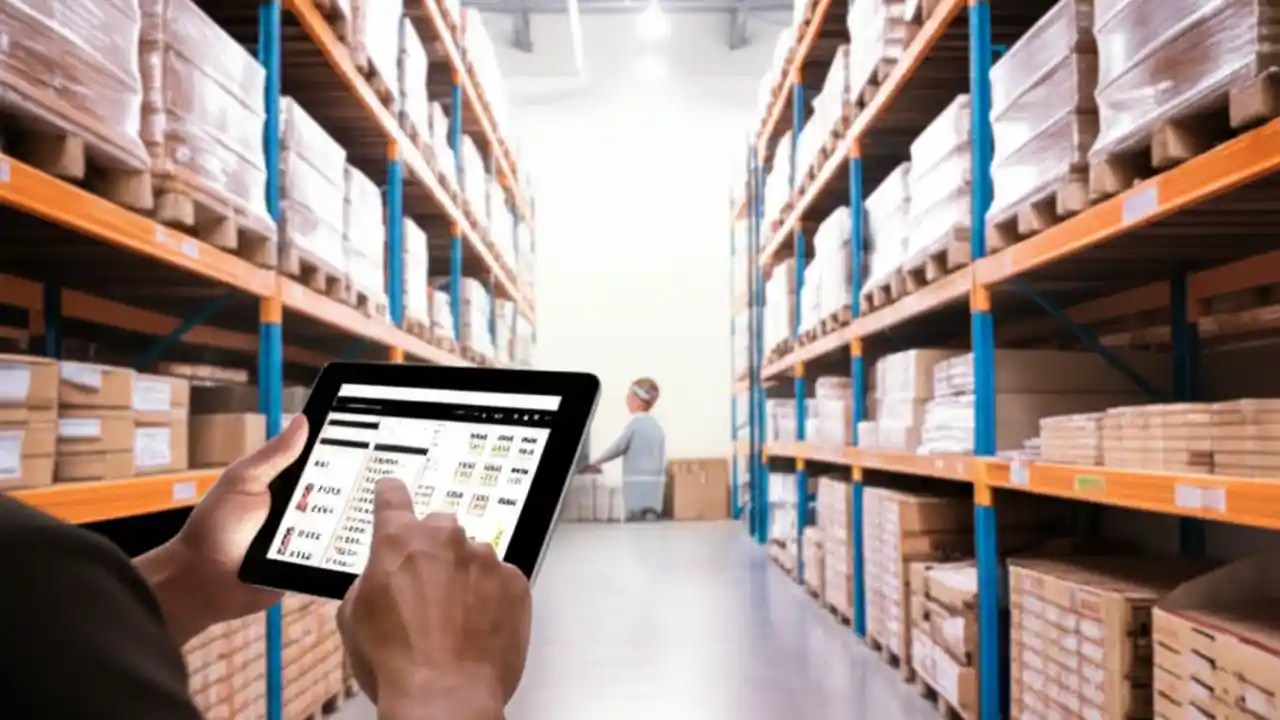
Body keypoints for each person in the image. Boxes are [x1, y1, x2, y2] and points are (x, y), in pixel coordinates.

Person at [0, 415, 532, 719]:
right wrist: (443, 686)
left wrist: (191, 576)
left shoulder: (35, 576)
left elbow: (36, 651)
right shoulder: (37, 563)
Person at [583, 377, 667, 518]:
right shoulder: (657, 428)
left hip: (635, 484)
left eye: (629, 395)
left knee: (636, 524)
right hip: (656, 485)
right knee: (651, 522)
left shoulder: (634, 427)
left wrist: (597, 461)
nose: (627, 399)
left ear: (637, 400)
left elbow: (618, 448)